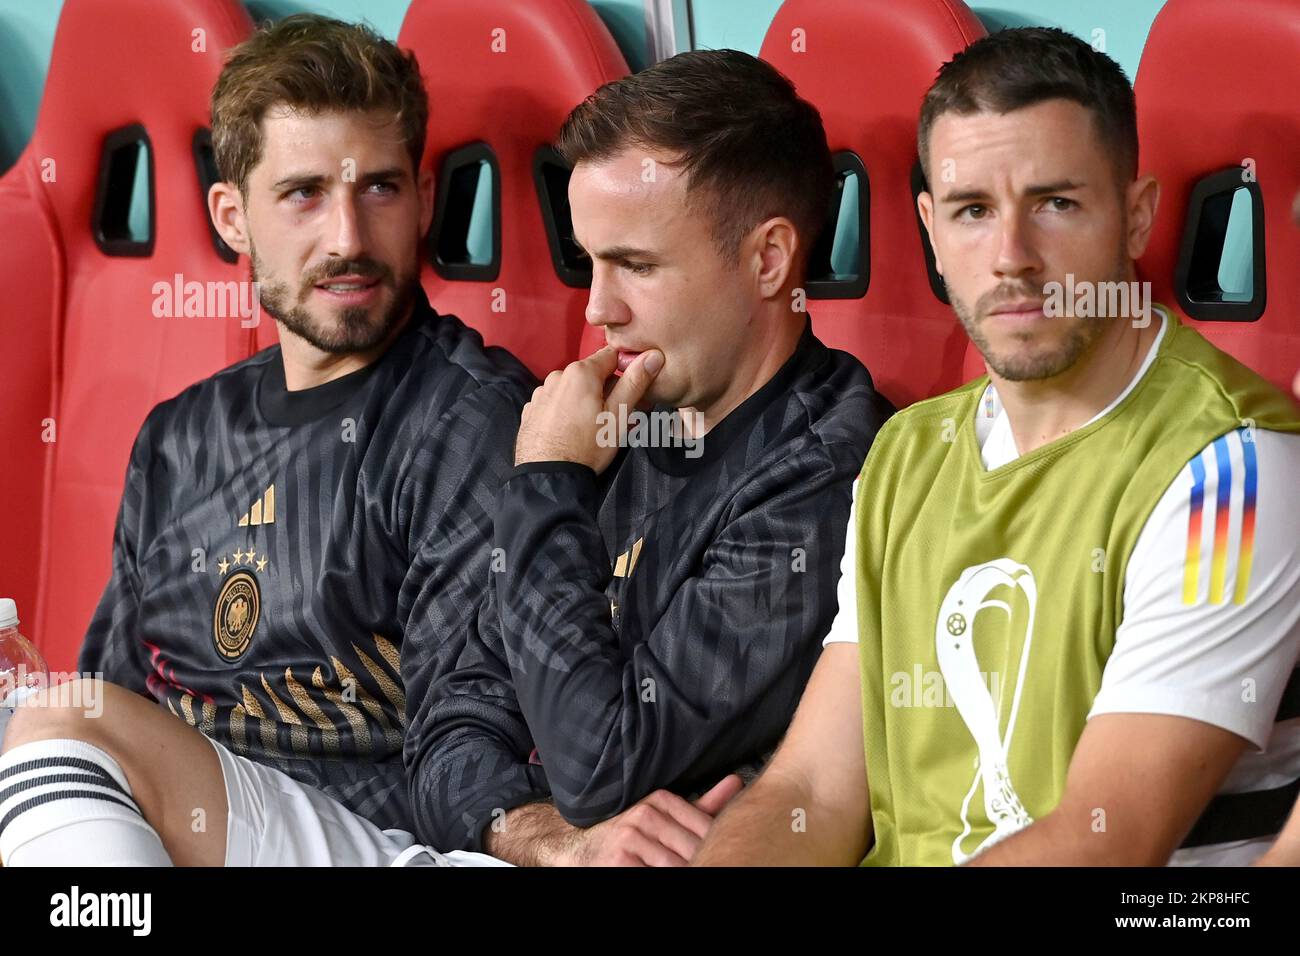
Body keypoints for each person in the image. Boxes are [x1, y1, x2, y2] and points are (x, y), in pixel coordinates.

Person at [693, 27, 1300, 867]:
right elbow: (811, 790)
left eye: (1055, 203)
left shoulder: (1233, 469)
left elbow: (1106, 841)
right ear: (931, 232)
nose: (1012, 258)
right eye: (974, 211)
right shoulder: (906, 454)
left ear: (1136, 215)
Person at [0, 15, 530, 867]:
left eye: (381, 189)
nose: (349, 239)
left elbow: (467, 759)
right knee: (67, 728)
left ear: (425, 200)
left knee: (67, 720)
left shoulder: (475, 424)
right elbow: (112, 718)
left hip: (388, 845)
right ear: (233, 215)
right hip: (186, 831)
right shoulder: (179, 439)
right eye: (304, 194)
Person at [405, 49, 894, 865]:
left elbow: (604, 766)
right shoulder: (615, 422)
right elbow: (441, 736)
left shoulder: (824, 476)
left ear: (769, 260)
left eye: (635, 264)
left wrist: (547, 485)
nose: (598, 307)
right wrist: (554, 843)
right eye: (589, 260)